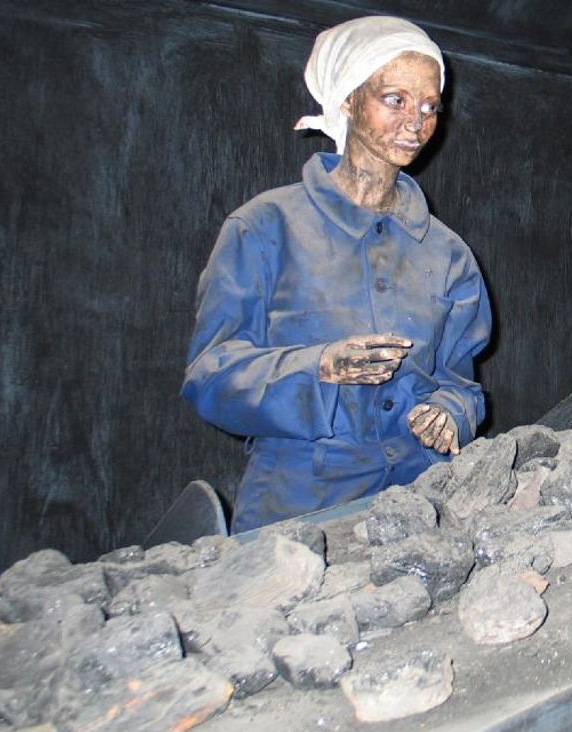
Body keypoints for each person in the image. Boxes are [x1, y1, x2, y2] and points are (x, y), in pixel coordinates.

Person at [182, 17, 491, 532]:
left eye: (429, 106)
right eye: (395, 99)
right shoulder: (265, 228)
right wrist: (319, 367)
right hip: (299, 506)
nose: (416, 122)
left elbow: (461, 382)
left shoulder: (449, 253)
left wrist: (450, 411)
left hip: (420, 503)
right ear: (348, 100)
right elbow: (210, 378)